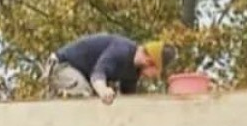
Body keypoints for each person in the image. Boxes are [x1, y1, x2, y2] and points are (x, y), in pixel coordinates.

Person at [45, 34, 175, 104]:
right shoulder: (121, 50)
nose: (152, 77)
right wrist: (103, 90)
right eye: (155, 72)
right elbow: (98, 73)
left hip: (84, 75)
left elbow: (128, 99)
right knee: (85, 96)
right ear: (149, 61)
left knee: (97, 104)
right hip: (62, 66)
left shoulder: (134, 72)